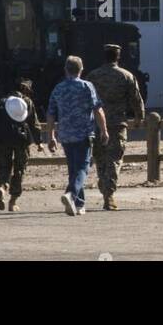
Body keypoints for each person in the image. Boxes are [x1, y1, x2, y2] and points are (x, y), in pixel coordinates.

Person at [46, 55, 108, 216]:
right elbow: (97, 109)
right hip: (83, 134)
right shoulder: (87, 86)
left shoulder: (58, 88)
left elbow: (51, 114)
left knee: (74, 170)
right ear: (81, 70)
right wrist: (104, 130)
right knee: (83, 168)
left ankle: (79, 205)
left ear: (65, 70)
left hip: (65, 135)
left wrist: (51, 136)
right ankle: (71, 194)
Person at [86, 43, 145, 210]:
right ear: (118, 56)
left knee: (100, 159)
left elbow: (86, 99)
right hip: (117, 123)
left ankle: (105, 188)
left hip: (97, 123)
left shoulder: (93, 76)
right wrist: (139, 117)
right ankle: (109, 193)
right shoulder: (126, 76)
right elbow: (136, 98)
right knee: (115, 159)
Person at [0, 79, 42, 212]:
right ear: (26, 90)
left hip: (3, 140)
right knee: (19, 169)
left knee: (3, 166)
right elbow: (34, 124)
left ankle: (2, 186)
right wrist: (39, 141)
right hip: (21, 141)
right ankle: (12, 202)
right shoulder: (27, 102)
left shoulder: (2, 102)